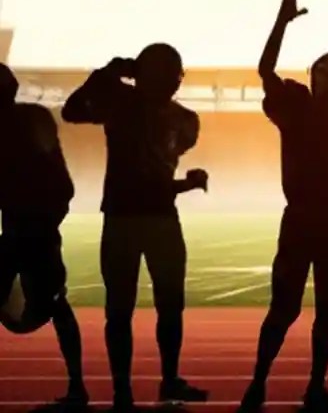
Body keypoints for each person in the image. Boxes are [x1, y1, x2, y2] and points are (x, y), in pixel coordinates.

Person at [239, 0, 328, 411]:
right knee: (289, 309)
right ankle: (263, 382)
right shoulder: (300, 108)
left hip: (324, 219)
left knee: (327, 312)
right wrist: (281, 21)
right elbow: (265, 70)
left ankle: (302, 384)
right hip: (308, 219)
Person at [62, 44, 208, 409]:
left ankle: (134, 387)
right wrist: (107, 75)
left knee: (145, 307)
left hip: (137, 217)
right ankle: (142, 384)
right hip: (143, 218)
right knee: (137, 307)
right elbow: (73, 111)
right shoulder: (161, 114)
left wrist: (108, 74)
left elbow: (75, 110)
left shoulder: (133, 107)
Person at [0, 63, 88, 408]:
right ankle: (78, 387)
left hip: (26, 227)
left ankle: (79, 389)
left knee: (52, 304)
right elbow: (60, 180)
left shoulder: (17, 124)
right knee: (56, 304)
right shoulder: (34, 118)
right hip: (39, 227)